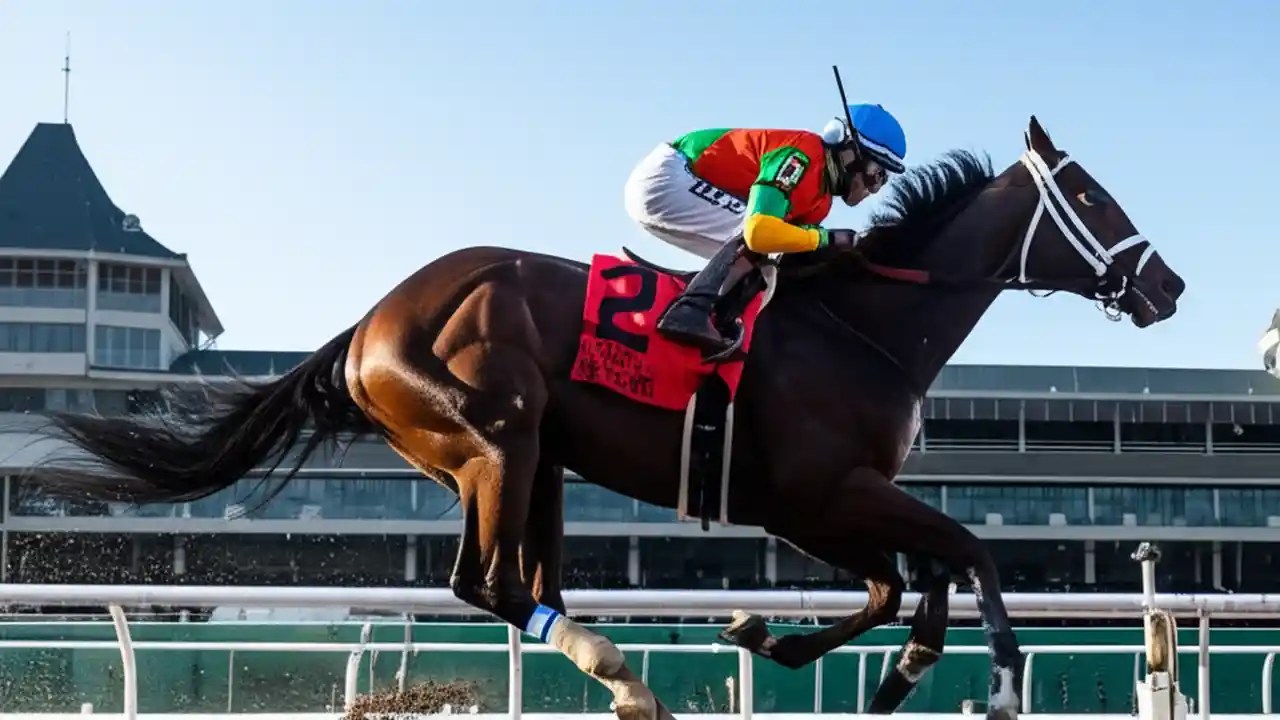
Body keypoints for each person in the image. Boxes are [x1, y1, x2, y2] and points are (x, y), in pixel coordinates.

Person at [623, 103, 908, 356]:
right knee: (765, 242)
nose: (875, 187)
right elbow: (759, 233)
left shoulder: (821, 202)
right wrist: (826, 238)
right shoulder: (801, 156)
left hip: (679, 186)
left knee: (776, 263)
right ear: (851, 153)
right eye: (878, 173)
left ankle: (719, 320)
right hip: (667, 176)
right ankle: (690, 311)